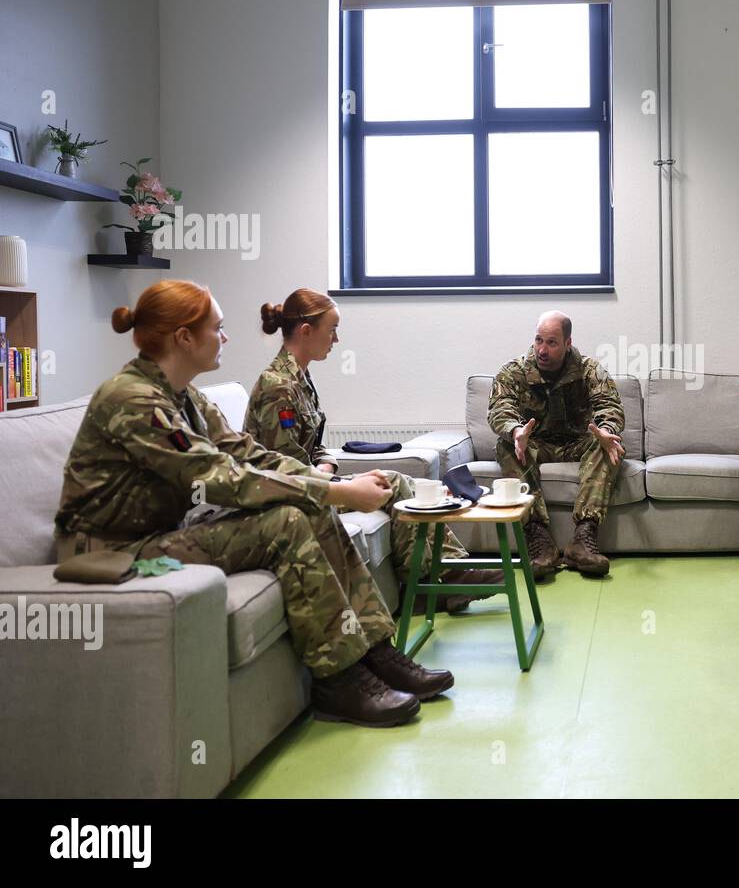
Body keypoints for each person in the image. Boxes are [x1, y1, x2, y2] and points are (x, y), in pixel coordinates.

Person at [55, 280, 453, 729]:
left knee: (310, 509)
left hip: (159, 535)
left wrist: (336, 484)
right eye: (217, 328)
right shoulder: (133, 399)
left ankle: (377, 652)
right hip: (114, 552)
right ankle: (337, 680)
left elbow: (249, 454)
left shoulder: (186, 397)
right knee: (286, 522)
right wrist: (337, 492)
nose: (226, 338)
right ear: (184, 338)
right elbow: (218, 476)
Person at [244, 289, 498, 613]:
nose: (336, 340)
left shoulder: (300, 379)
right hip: (292, 497)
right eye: (332, 329)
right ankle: (447, 578)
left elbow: (316, 448)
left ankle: (446, 574)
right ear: (306, 331)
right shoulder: (278, 386)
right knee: (389, 484)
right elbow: (284, 468)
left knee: (392, 480)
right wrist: (333, 483)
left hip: (314, 484)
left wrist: (328, 468)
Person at [487, 311, 625, 578]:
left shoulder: (589, 370)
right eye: (539, 340)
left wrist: (606, 431)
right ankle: (539, 541)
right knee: (506, 446)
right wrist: (516, 431)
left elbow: (609, 405)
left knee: (610, 446)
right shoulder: (513, 372)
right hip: (535, 443)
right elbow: (499, 409)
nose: (542, 349)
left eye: (551, 342)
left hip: (578, 443)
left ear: (567, 343)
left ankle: (583, 539)